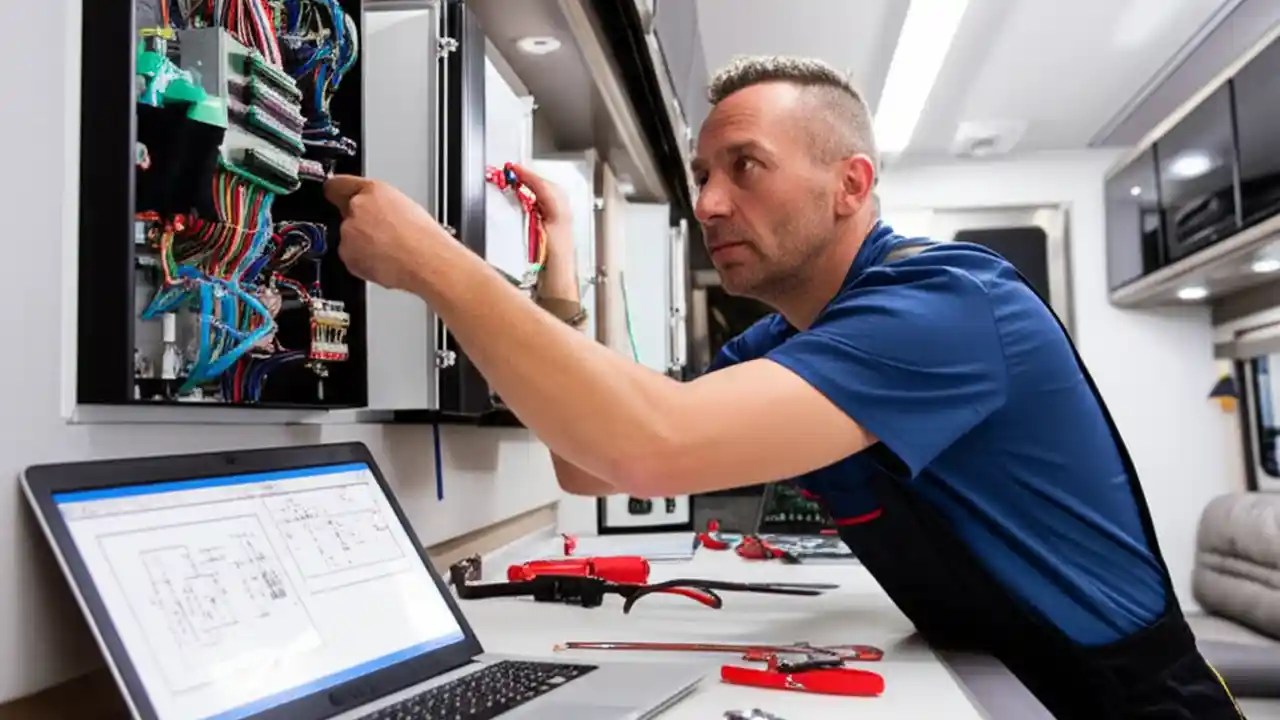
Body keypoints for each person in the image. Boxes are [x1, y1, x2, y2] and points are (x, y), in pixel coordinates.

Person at [322, 56, 1243, 719]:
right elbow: (592, 462)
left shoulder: (945, 306)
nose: (709, 204)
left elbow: (649, 442)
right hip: (999, 681)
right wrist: (558, 255)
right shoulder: (795, 338)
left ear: (850, 184)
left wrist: (437, 265)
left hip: (1120, 700)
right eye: (702, 176)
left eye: (746, 168)